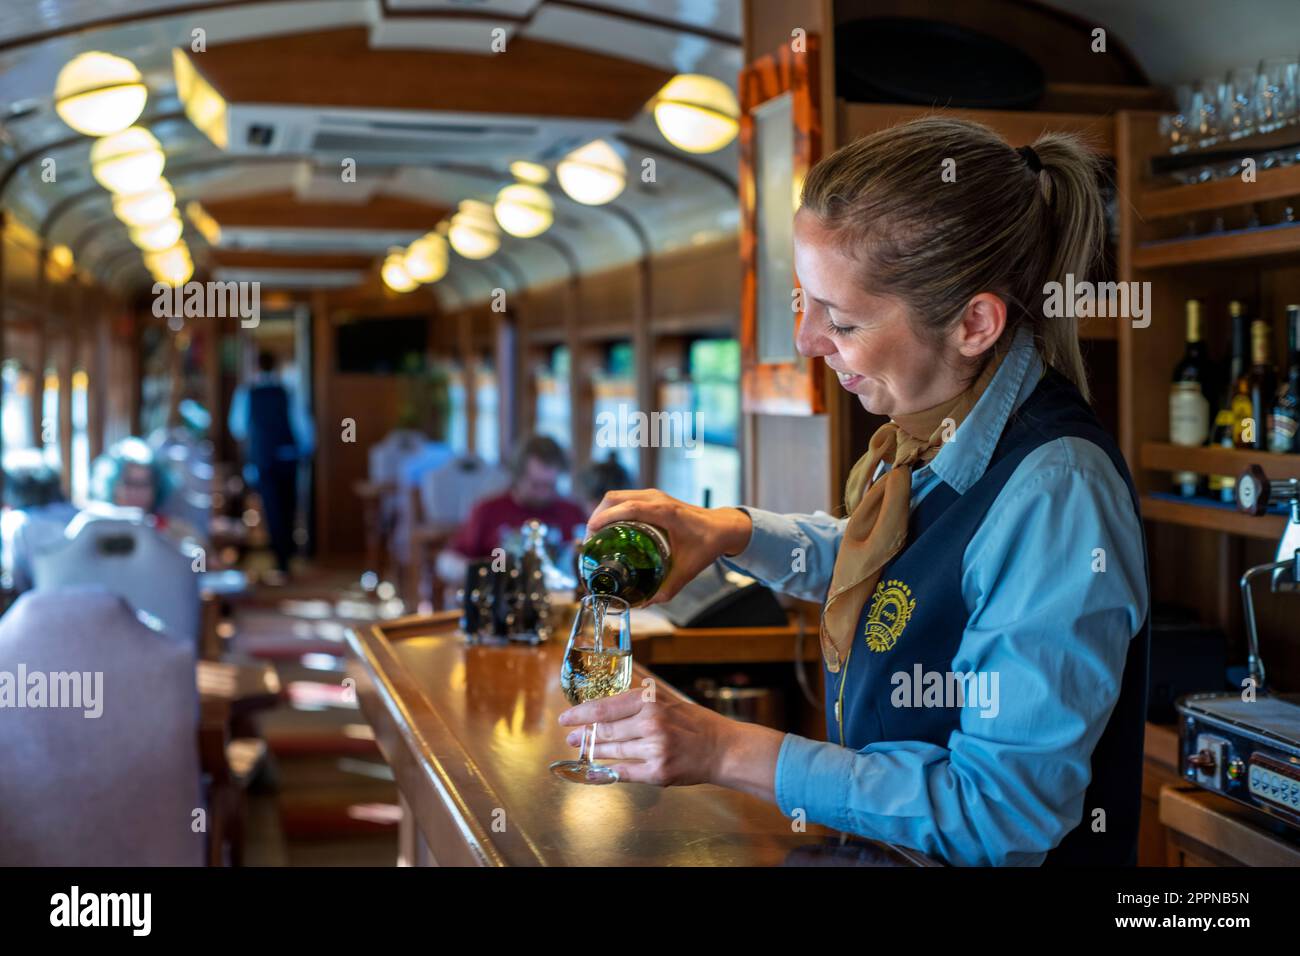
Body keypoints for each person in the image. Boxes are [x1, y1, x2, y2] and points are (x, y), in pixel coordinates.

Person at [560, 117, 1150, 867]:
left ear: (974, 322)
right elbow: (900, 565)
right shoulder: (930, 432)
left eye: (840, 319)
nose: (807, 340)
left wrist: (724, 748)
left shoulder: (1058, 492)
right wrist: (729, 532)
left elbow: (1001, 815)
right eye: (803, 302)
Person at [228, 352, 314, 577]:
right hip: (288, 457)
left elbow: (237, 428)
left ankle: (281, 557)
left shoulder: (247, 393)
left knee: (273, 508)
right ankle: (286, 556)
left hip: (264, 458)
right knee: (289, 506)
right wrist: (305, 450)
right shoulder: (287, 392)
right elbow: (302, 426)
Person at [444, 435, 587, 567]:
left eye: (550, 486)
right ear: (517, 476)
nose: (543, 493)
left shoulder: (572, 512)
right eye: (535, 485)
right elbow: (449, 560)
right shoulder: (488, 510)